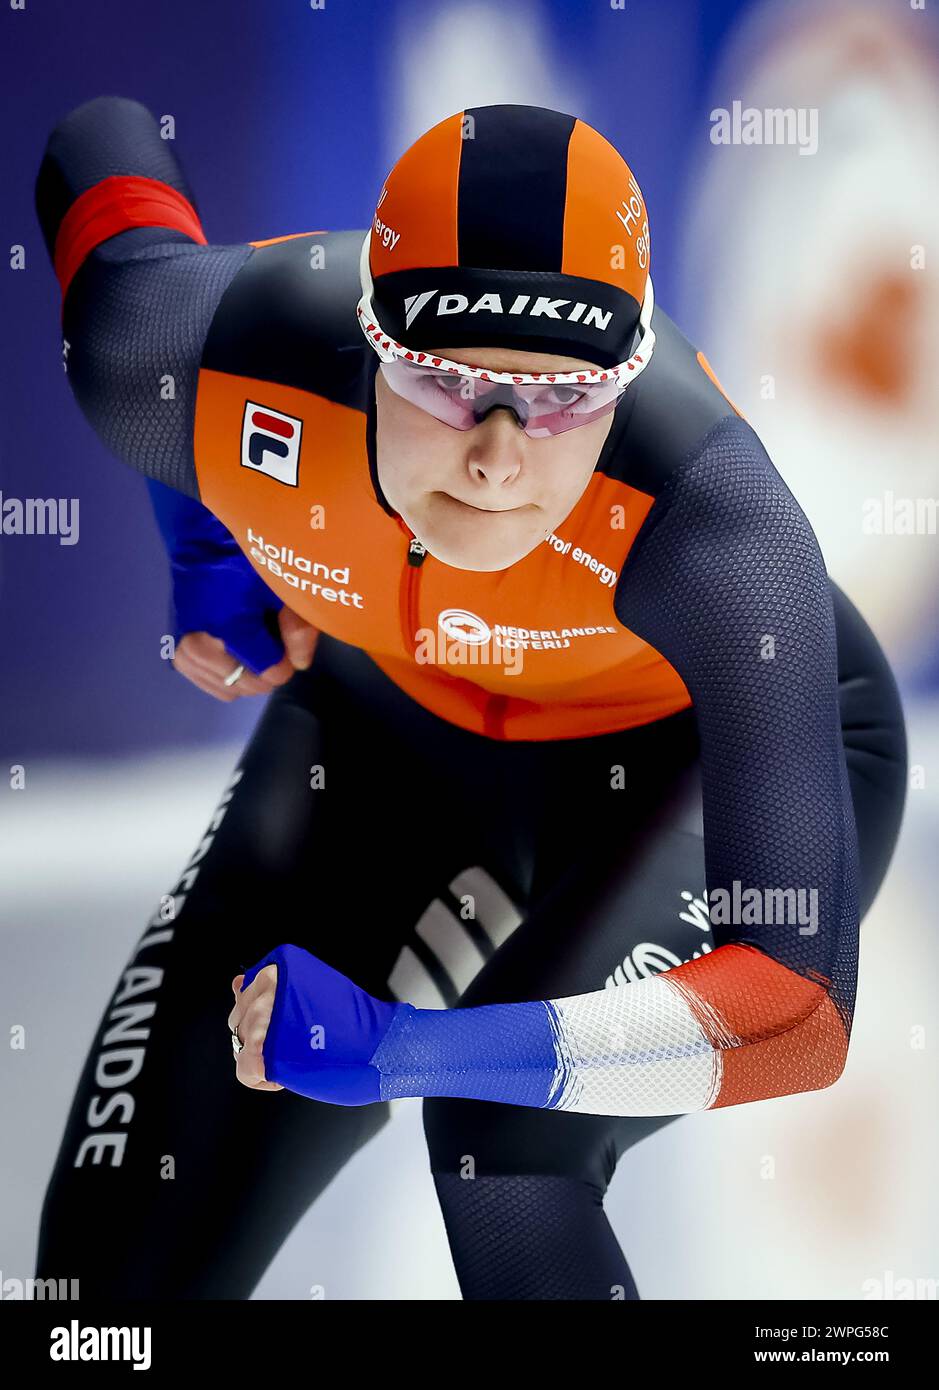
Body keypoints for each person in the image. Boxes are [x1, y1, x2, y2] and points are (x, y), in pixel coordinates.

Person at [33, 97, 907, 1301]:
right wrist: (207, 527)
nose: (500, 455)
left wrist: (414, 1051)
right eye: (449, 385)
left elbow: (799, 1013)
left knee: (502, 1145)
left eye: (565, 399)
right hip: (385, 733)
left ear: (629, 376)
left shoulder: (717, 528)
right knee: (103, 1287)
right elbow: (105, 133)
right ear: (369, 340)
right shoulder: (179, 354)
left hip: (673, 773)